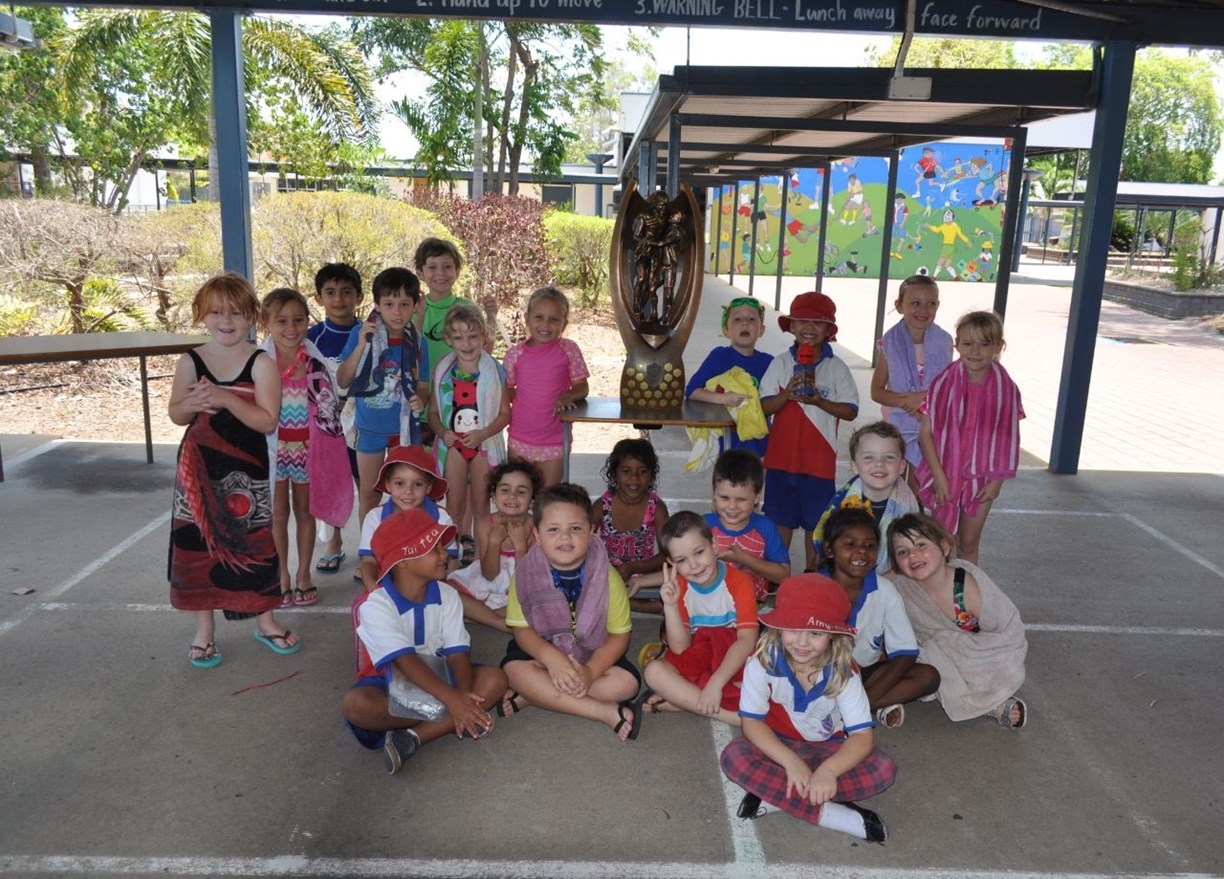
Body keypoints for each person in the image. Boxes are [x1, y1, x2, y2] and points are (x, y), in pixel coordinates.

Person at [167, 273, 299, 668]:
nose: (226, 320)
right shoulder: (190, 360)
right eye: (216, 312)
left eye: (237, 313)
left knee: (255, 545)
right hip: (198, 469)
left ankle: (265, 619)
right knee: (196, 545)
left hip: (248, 468)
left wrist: (224, 397)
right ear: (202, 315)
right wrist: (193, 404)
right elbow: (176, 414)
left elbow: (267, 420)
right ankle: (204, 631)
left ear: (252, 316)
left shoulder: (261, 361)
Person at [720, 574, 895, 841]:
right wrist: (790, 762)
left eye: (815, 633)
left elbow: (861, 737)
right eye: (792, 629)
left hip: (830, 748)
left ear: (833, 635)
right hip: (779, 746)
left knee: (883, 769)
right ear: (779, 628)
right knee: (734, 756)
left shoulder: (844, 672)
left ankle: (779, 798)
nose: (802, 642)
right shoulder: (761, 661)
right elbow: (752, 723)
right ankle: (836, 816)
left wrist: (828, 771)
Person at [342, 508, 507, 775]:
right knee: (356, 705)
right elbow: (403, 661)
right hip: (388, 680)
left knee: (496, 679)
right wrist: (455, 702)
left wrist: (462, 696)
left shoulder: (447, 595)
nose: (445, 555)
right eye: (435, 549)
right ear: (403, 560)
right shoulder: (375, 606)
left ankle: (414, 737)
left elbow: (457, 653)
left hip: (441, 675)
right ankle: (460, 717)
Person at [496, 483, 642, 742]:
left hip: (591, 651)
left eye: (575, 528)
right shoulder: (526, 574)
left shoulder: (607, 577)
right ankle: (600, 711)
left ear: (591, 532)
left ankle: (535, 695)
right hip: (543, 649)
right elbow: (521, 630)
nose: (565, 537)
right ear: (537, 535)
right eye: (553, 529)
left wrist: (590, 672)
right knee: (512, 671)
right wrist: (553, 660)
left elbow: (620, 636)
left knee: (627, 684)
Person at [887, 513, 1028, 728]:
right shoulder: (902, 586)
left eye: (921, 545)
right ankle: (885, 701)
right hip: (935, 656)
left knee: (1006, 669)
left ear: (944, 548)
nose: (913, 555)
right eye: (902, 552)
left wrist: (963, 650)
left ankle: (987, 702)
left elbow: (1008, 629)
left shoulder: (966, 586)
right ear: (897, 564)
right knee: (915, 661)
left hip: (981, 654)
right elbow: (871, 587)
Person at [259, 287, 350, 607]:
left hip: (308, 452)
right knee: (277, 515)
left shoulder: (315, 361)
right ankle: (281, 575)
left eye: (299, 319)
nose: (291, 327)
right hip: (274, 452)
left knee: (305, 512)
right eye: (281, 320)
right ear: (266, 322)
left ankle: (303, 575)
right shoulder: (260, 363)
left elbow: (330, 410)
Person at [760, 291, 859, 571]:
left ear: (829, 330)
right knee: (780, 519)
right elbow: (763, 407)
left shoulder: (836, 367)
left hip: (819, 460)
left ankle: (811, 576)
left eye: (817, 323)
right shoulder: (779, 363)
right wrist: (786, 395)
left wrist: (820, 401)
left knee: (816, 523)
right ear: (791, 326)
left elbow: (851, 409)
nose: (809, 328)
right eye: (802, 321)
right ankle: (777, 576)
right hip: (781, 457)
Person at [337, 267, 426, 574]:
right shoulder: (361, 333)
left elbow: (423, 383)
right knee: (370, 494)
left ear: (415, 304)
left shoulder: (417, 340)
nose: (397, 311)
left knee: (408, 495)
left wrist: (421, 399)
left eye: (404, 304)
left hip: (404, 432)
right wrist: (361, 344)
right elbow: (344, 379)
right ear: (376, 305)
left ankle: (404, 551)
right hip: (370, 429)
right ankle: (370, 555)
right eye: (389, 304)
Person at [916, 310, 1024, 564]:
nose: (975, 351)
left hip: (983, 478)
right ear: (957, 344)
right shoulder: (942, 383)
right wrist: (940, 478)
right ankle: (938, 596)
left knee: (968, 544)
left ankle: (961, 599)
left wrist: (997, 480)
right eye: (967, 343)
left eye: (984, 344)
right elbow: (926, 435)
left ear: (999, 346)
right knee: (940, 542)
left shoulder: (1006, 389)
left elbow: (1009, 437)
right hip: (943, 473)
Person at [818, 508, 939, 729]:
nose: (861, 552)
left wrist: (867, 697)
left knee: (929, 677)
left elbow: (905, 653)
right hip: (818, 675)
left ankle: (852, 712)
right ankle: (867, 708)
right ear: (829, 549)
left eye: (869, 545)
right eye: (850, 544)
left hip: (864, 674)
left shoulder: (885, 590)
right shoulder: (812, 588)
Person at [640, 512, 759, 725]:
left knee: (766, 675)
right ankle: (731, 716)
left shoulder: (740, 582)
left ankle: (685, 700)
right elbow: (680, 649)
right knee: (654, 671)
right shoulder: (680, 587)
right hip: (702, 658)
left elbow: (747, 640)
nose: (694, 565)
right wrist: (670, 606)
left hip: (736, 660)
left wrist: (715, 684)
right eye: (682, 560)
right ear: (671, 564)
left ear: (714, 545)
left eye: (699, 552)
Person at [428, 302, 509, 550]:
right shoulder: (442, 370)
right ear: (448, 339)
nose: (467, 343)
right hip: (454, 448)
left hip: (483, 445)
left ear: (483, 336)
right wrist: (443, 433)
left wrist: (483, 433)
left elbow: (506, 414)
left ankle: (481, 559)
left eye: (473, 336)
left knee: (482, 505)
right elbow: (432, 413)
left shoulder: (494, 370)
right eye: (459, 337)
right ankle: (451, 556)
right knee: (454, 505)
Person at [502, 287, 589, 488]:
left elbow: (582, 386)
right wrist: (512, 395)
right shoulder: (515, 354)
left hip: (555, 441)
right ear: (527, 318)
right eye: (539, 317)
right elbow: (506, 389)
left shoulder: (569, 349)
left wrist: (569, 396)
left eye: (554, 320)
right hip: (519, 439)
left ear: (564, 324)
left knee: (547, 499)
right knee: (519, 496)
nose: (545, 325)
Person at [870, 275, 953, 488]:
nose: (923, 310)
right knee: (902, 489)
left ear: (938, 305)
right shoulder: (889, 342)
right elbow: (877, 392)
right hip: (898, 428)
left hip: (935, 426)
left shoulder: (945, 342)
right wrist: (909, 400)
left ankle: (919, 520)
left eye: (931, 304)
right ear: (899, 306)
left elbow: (950, 388)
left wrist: (925, 400)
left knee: (924, 486)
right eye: (915, 303)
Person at [307, 263, 363, 574]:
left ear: (359, 296)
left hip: (361, 424)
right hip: (325, 427)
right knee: (330, 483)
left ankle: (367, 548)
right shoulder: (311, 337)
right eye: (330, 292)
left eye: (346, 292)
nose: (339, 299)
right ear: (319, 298)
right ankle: (335, 543)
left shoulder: (368, 334)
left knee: (366, 484)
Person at [447, 458, 543, 632]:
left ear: (532, 500)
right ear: (494, 496)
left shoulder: (536, 528)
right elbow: (489, 575)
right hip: (487, 580)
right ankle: (499, 621)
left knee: (536, 605)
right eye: (505, 490)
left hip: (519, 588)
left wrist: (520, 546)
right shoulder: (486, 523)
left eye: (521, 492)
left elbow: (525, 582)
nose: (512, 496)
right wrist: (493, 542)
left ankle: (480, 616)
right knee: (449, 592)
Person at [812, 422, 921, 574]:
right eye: (869, 457)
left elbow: (914, 553)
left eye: (889, 457)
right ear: (854, 465)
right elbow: (824, 546)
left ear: (902, 466)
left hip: (892, 578)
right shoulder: (842, 504)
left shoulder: (909, 508)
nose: (879, 464)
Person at [356, 445, 455, 593]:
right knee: (363, 610)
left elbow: (451, 562)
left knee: (458, 599)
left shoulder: (441, 518)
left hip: (431, 587)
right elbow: (368, 561)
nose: (408, 491)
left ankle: (496, 617)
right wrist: (375, 592)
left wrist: (445, 594)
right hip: (385, 588)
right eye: (400, 483)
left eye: (418, 484)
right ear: (388, 484)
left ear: (429, 487)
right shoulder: (375, 518)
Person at [685, 296, 773, 459]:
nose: (745, 323)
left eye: (752, 319)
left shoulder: (769, 362)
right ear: (726, 330)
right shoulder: (719, 357)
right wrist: (723, 398)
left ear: (761, 330)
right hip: (726, 443)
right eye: (737, 319)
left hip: (760, 445)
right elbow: (692, 391)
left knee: (754, 484)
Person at [593, 438, 670, 613]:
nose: (634, 478)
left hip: (644, 573)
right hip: (607, 573)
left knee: (677, 593)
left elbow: (668, 555)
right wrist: (603, 569)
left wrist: (634, 568)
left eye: (642, 471)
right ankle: (620, 602)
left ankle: (618, 603)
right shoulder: (602, 506)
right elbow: (582, 542)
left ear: (651, 475)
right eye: (626, 471)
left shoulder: (656, 508)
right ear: (614, 474)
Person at [705, 449, 790, 604]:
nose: (732, 506)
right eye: (724, 497)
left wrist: (743, 559)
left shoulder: (765, 528)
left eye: (741, 499)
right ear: (714, 493)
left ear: (756, 497)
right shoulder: (703, 526)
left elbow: (783, 575)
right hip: (707, 605)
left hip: (751, 607)